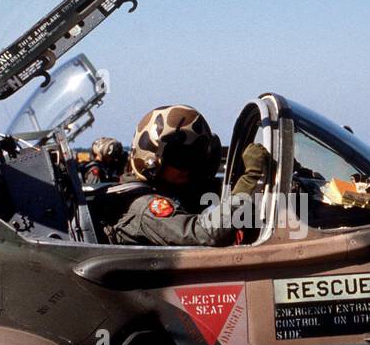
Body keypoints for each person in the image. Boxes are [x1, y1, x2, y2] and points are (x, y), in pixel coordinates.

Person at [100, 105, 270, 246]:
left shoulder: (171, 190)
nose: (188, 168)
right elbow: (204, 235)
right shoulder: (145, 207)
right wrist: (250, 179)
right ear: (152, 160)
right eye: (181, 158)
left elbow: (202, 192)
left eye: (195, 158)